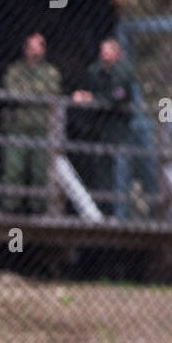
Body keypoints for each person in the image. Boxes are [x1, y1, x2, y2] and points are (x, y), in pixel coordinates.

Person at [72, 37, 139, 219]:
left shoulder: (124, 71)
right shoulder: (95, 70)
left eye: (108, 50)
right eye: (102, 50)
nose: (104, 54)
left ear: (117, 53)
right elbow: (92, 90)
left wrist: (92, 99)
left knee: (120, 174)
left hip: (120, 132)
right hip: (101, 131)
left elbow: (116, 98)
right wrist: (87, 96)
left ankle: (121, 216)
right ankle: (104, 213)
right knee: (102, 174)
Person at [1, 33, 61, 214]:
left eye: (39, 46)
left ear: (44, 49)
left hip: (41, 127)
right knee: (13, 169)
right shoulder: (15, 71)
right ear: (25, 49)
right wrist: (36, 94)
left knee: (40, 171)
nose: (35, 50)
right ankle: (11, 208)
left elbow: (52, 92)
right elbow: (12, 92)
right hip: (17, 126)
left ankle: (38, 209)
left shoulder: (51, 72)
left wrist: (28, 94)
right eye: (31, 46)